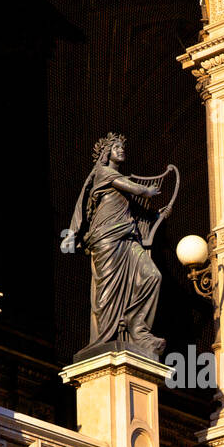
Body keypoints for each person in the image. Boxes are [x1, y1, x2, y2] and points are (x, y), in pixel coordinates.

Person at [69, 132, 165, 361]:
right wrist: (147, 190)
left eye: (123, 147)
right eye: (116, 147)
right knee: (108, 293)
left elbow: (134, 210)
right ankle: (105, 337)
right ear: (106, 152)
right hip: (107, 240)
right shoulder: (104, 173)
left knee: (153, 276)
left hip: (129, 238)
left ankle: (138, 328)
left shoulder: (118, 182)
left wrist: (157, 215)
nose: (121, 150)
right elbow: (134, 189)